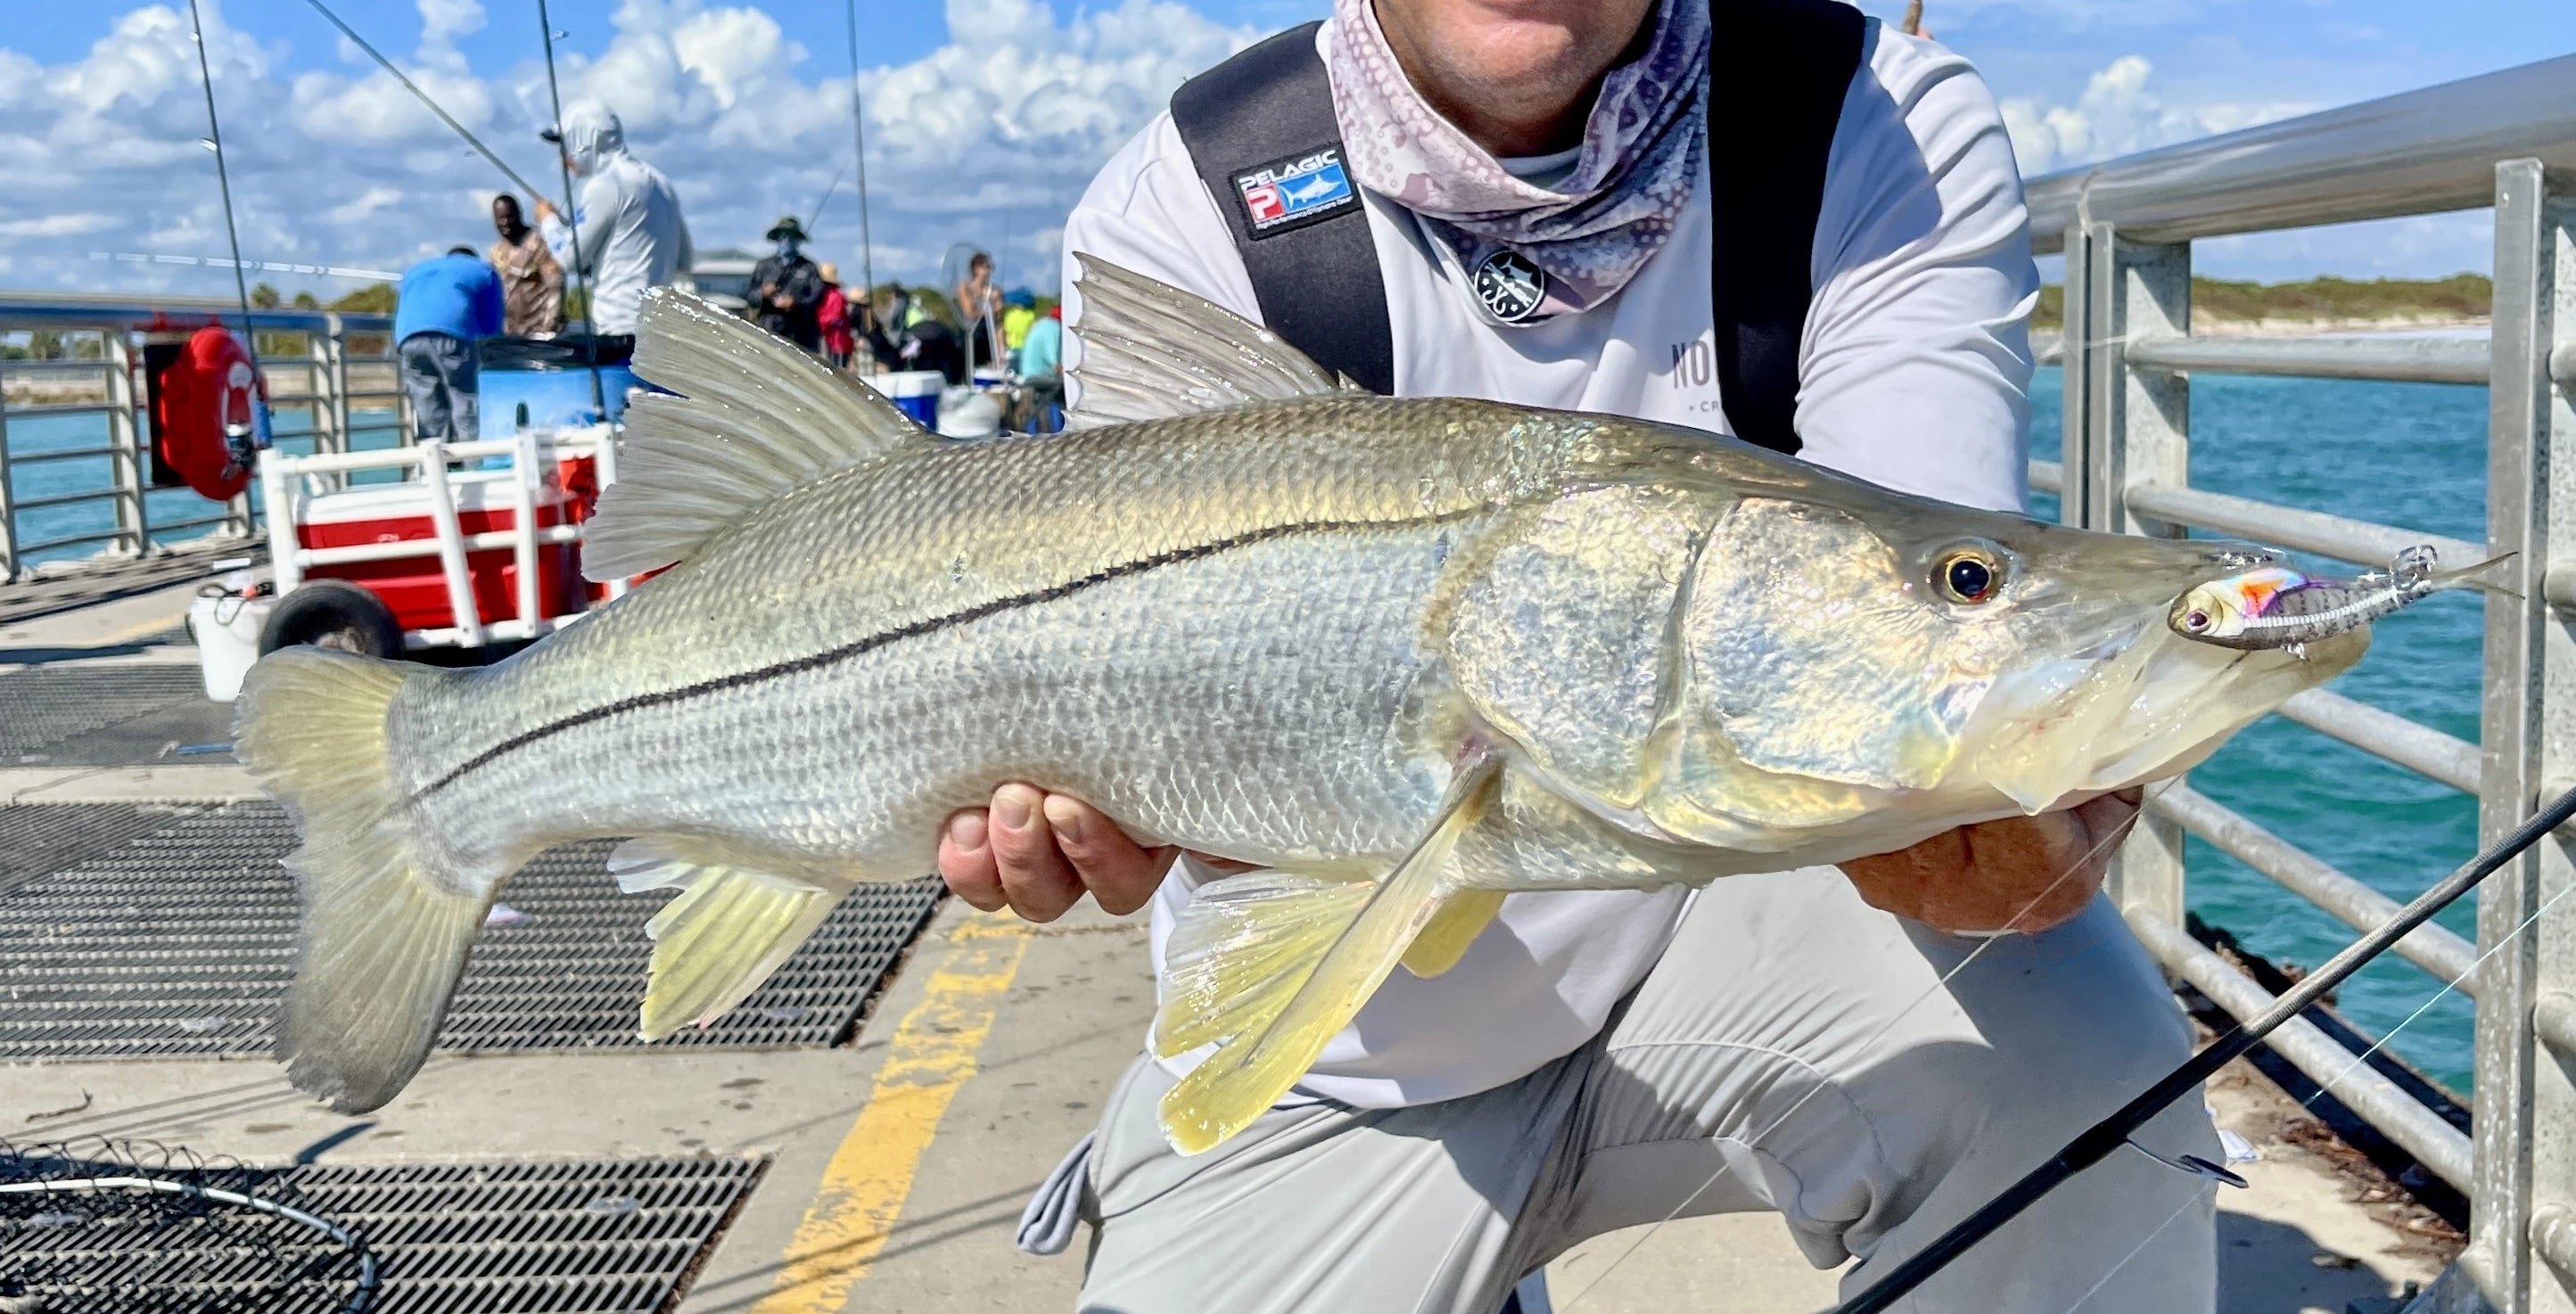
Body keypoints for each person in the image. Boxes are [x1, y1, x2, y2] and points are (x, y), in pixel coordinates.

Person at [946, 3, 2213, 1312]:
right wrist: (1147, 796)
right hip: (1357, 1051)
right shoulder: (1189, 204)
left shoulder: (1864, 116)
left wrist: (2015, 777)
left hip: (1735, 922)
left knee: (2082, 1069)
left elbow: (1919, 632)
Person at [532, 100, 691, 341]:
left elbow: (568, 257)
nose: (564, 158)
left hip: (620, 331)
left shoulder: (606, 185)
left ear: (585, 139)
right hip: (658, 334)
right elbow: (685, 259)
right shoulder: (662, 184)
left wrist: (548, 221)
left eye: (566, 144)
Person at [392, 245, 502, 441]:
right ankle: (472, 463)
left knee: (429, 408)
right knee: (465, 401)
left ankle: (437, 464)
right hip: (453, 334)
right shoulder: (483, 270)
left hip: (408, 337)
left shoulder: (417, 269)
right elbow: (493, 323)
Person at [486, 194, 564, 337]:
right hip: (508, 337)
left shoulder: (540, 244)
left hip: (537, 335)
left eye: (510, 217)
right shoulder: (496, 252)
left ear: (519, 215)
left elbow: (555, 289)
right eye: (500, 219)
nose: (506, 223)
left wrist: (547, 331)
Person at [751, 216, 827, 350]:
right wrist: (763, 293)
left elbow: (818, 297)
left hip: (801, 334)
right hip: (769, 330)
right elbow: (749, 295)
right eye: (782, 236)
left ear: (798, 240)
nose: (786, 240)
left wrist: (795, 303)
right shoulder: (764, 266)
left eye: (791, 236)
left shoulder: (809, 267)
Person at [953, 250, 1001, 373]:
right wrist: (989, 308)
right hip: (971, 335)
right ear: (976, 268)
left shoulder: (994, 290)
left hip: (988, 335)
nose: (988, 271)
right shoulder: (965, 287)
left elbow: (999, 320)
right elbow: (969, 312)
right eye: (985, 267)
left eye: (990, 268)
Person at [819, 262, 854, 369]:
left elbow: (835, 317)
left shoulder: (835, 296)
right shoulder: (826, 295)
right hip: (831, 338)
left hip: (837, 340)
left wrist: (820, 325)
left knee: (837, 369)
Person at [1000, 288, 1039, 355]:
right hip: (1023, 348)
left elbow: (1004, 332)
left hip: (1014, 347)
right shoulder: (1030, 315)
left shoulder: (1009, 315)